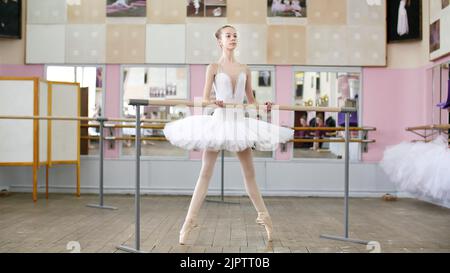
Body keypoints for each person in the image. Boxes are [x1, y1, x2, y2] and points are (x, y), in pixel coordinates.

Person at [163, 25, 294, 245]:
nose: (233, 38)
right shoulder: (213, 67)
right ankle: (189, 221)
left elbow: (251, 102)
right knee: (205, 172)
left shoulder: (245, 68)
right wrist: (214, 101)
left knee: (249, 174)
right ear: (219, 41)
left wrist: (265, 106)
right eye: (228, 35)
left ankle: (265, 218)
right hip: (219, 121)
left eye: (235, 35)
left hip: (239, 123)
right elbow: (204, 99)